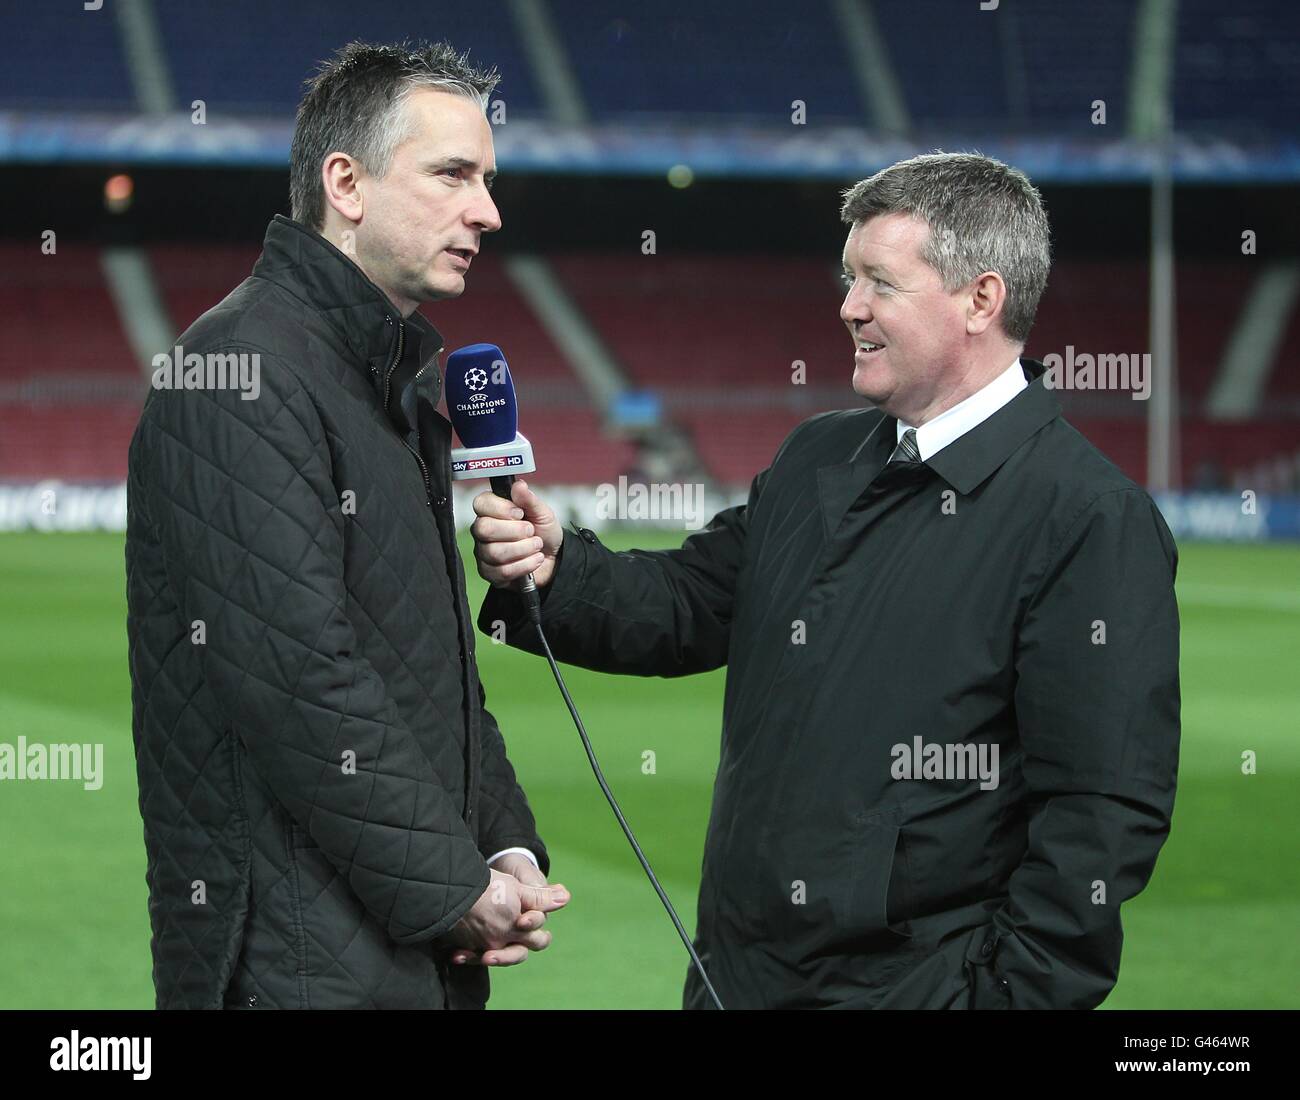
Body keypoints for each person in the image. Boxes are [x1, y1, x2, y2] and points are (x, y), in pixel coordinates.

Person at [472, 152, 1180, 1009]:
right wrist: (554, 568)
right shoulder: (820, 453)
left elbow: (1100, 817)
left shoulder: (1087, 516)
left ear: (980, 300)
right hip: (735, 980)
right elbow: (694, 602)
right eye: (848, 279)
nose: (848, 308)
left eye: (879, 281)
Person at [126, 40, 567, 1010]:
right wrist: (454, 890)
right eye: (453, 174)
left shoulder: (388, 382)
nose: (486, 211)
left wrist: (504, 842)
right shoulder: (239, 370)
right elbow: (299, 674)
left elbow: (430, 666)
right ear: (346, 183)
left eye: (487, 180)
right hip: (292, 958)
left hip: (390, 949)